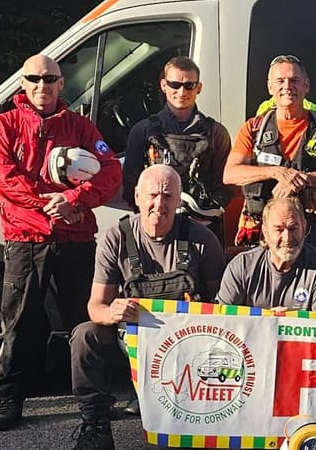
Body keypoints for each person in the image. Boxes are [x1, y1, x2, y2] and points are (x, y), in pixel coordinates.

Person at [0, 54, 123, 431]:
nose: (42, 85)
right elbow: (2, 177)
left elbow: (111, 171)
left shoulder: (80, 126)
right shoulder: (3, 125)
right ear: (22, 83)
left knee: (86, 322)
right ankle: (10, 397)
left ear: (62, 84)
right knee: (21, 320)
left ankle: (97, 400)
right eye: (35, 78)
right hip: (26, 238)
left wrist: (74, 200)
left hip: (76, 238)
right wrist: (53, 205)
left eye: (50, 79)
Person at [68, 165, 226, 450]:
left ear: (178, 201)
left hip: (188, 346)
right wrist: (111, 313)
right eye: (152, 195)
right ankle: (96, 427)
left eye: (168, 196)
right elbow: (96, 306)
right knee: (84, 335)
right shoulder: (116, 238)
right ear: (137, 196)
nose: (159, 203)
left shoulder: (202, 239)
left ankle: (203, 423)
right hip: (131, 344)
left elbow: (224, 308)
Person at [224, 54, 316, 252]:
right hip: (264, 229)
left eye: (294, 80)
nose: (287, 86)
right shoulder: (254, 128)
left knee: (315, 271)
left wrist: (301, 180)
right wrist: (276, 172)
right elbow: (230, 174)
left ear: (306, 86)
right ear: (270, 87)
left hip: (311, 229)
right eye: (280, 81)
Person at [121, 56, 232, 244]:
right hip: (155, 231)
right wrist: (155, 217)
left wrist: (203, 213)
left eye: (189, 85)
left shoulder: (216, 133)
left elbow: (224, 187)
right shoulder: (143, 132)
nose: (182, 92)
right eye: (175, 85)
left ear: (199, 87)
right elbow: (131, 188)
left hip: (202, 231)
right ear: (163, 85)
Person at [216, 197, 316, 313]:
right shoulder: (242, 266)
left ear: (304, 227)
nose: (287, 238)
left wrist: (288, 322)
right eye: (279, 230)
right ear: (265, 232)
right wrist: (268, 321)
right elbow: (222, 319)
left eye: (293, 228)